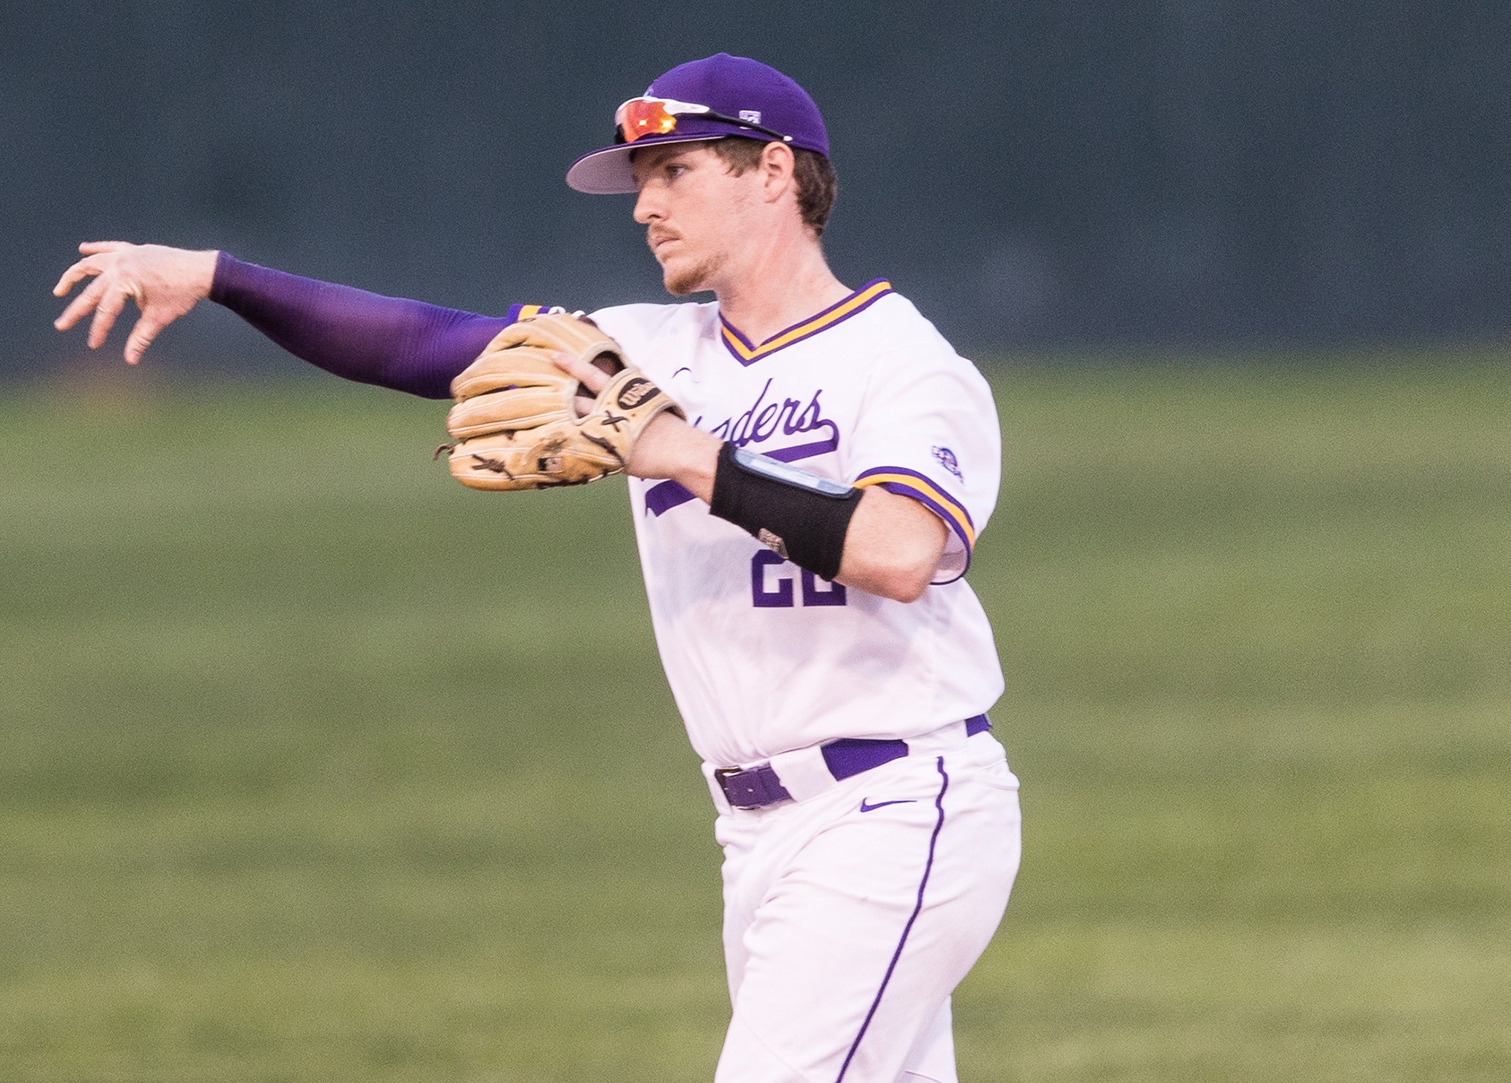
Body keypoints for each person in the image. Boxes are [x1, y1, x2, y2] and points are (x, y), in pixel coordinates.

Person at [54, 52, 1020, 1083]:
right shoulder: (646, 348)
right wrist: (218, 277)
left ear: (774, 172)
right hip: (761, 837)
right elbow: (427, 345)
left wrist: (677, 452)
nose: (645, 206)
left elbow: (902, 550)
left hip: (893, 808)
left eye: (674, 172)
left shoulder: (900, 363)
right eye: (639, 181)